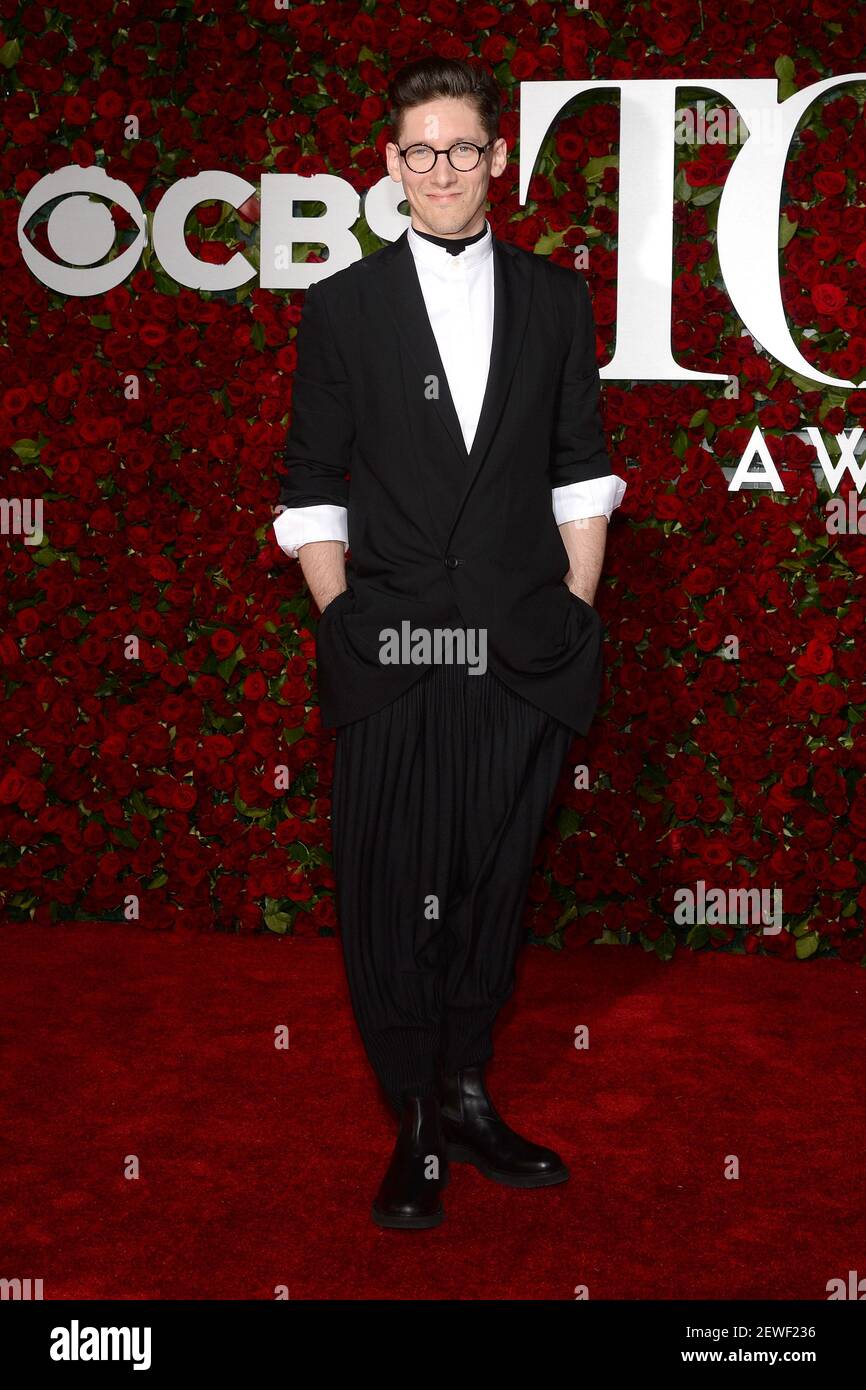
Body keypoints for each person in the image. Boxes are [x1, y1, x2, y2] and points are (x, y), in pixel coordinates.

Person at [273, 55, 626, 1229]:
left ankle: (469, 1090)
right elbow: (311, 483)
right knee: (391, 891)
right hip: (393, 653)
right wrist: (343, 616)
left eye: (461, 148)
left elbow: (580, 466)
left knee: (488, 885)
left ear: (495, 162)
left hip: (522, 653)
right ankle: (413, 1118)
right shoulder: (343, 307)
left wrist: (570, 606)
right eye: (418, 150)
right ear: (388, 167)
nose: (440, 169)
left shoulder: (555, 300)